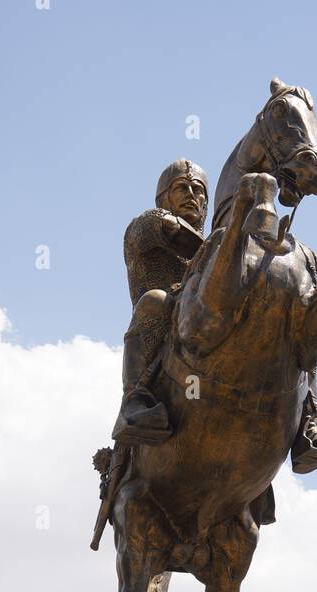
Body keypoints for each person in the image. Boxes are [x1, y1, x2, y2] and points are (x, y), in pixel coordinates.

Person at [112, 159, 209, 446]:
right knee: (154, 301)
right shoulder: (147, 224)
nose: (192, 194)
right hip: (164, 322)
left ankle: (305, 419)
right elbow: (162, 228)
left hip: (205, 320)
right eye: (182, 187)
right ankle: (134, 400)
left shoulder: (218, 244)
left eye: (198, 189)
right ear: (165, 197)